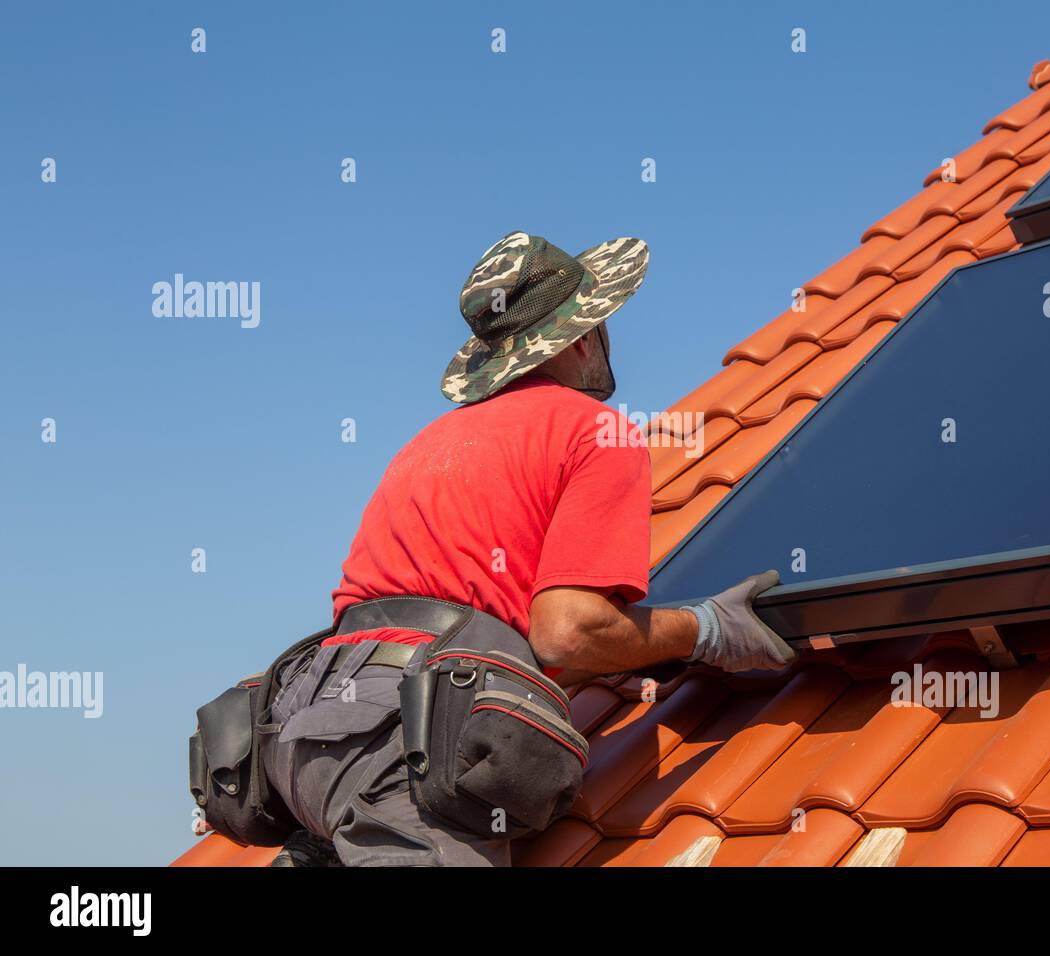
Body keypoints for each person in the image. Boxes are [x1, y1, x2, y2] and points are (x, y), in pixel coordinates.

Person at [264, 231, 795, 866]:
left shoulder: (429, 444)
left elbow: (486, 630)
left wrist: (633, 651)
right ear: (579, 335)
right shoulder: (595, 431)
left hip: (308, 733)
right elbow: (567, 633)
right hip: (407, 746)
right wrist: (705, 630)